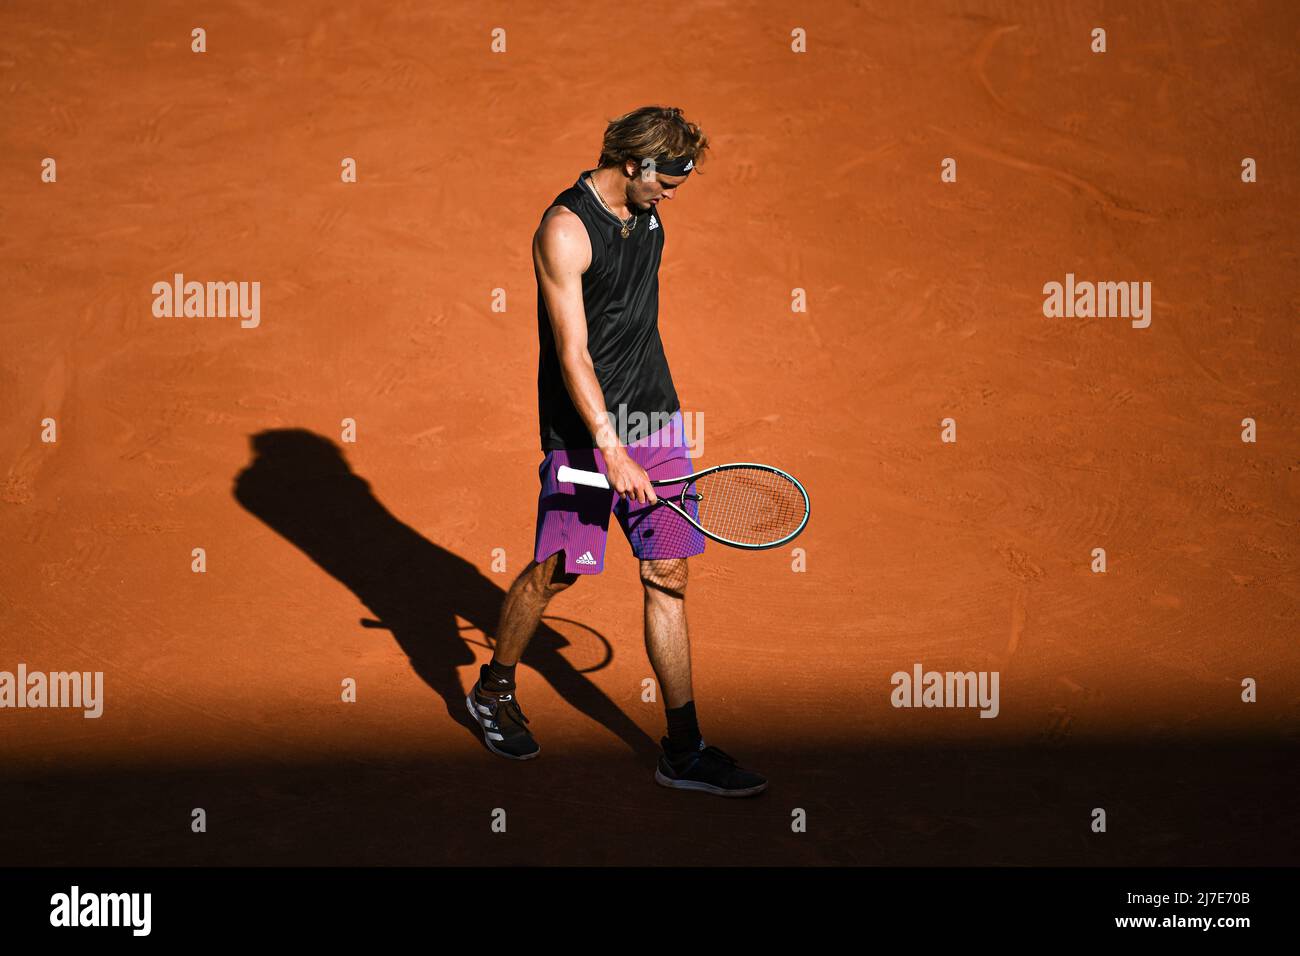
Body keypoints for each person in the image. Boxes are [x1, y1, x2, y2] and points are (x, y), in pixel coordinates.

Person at [465, 106, 767, 797]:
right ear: (634, 165)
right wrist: (612, 451)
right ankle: (494, 688)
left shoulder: (649, 211)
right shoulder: (565, 231)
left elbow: (631, 318)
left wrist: (642, 439)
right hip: (582, 432)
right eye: (666, 182)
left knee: (669, 574)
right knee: (559, 570)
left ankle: (683, 749)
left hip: (655, 422)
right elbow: (573, 354)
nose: (671, 197)